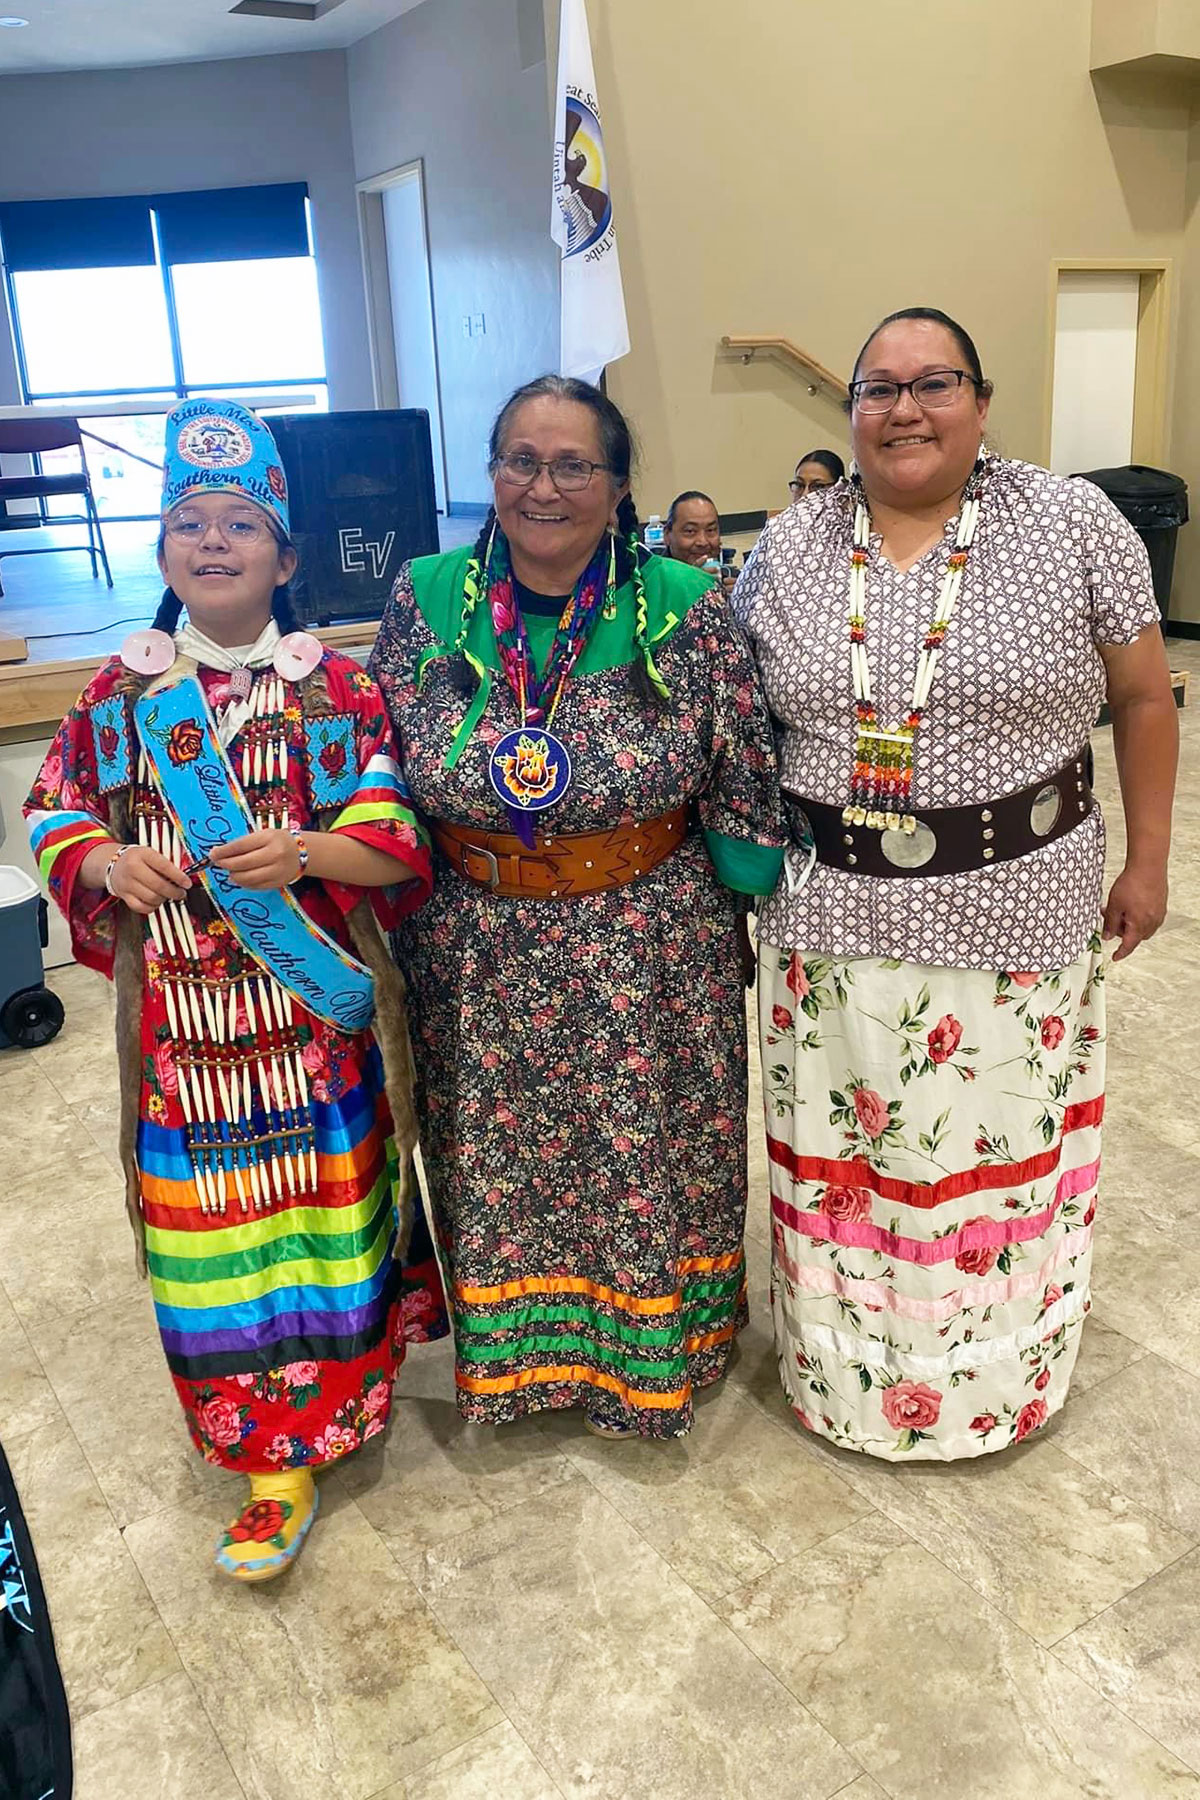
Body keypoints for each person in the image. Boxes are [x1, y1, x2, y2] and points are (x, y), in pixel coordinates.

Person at [734, 306, 1177, 1461]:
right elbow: (732, 723)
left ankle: (989, 1386)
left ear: (982, 402)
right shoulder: (790, 545)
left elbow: (1141, 697)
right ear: (852, 414)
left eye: (934, 384)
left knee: (990, 1156)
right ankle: (845, 1384)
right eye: (877, 389)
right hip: (828, 917)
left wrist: (1147, 860)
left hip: (1020, 903)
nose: (904, 408)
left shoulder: (1073, 522)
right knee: (854, 1168)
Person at [25, 398, 447, 1578]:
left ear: (288, 557)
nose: (215, 544)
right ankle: (268, 1456)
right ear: (162, 554)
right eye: (191, 525)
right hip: (185, 1034)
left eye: (243, 524)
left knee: (322, 1226)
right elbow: (54, 809)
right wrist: (107, 859)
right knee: (211, 1238)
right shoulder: (119, 698)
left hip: (311, 1030)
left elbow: (395, 831)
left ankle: (334, 1415)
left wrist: (305, 853)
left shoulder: (338, 692)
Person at [370, 374, 786, 1440]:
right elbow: (377, 759)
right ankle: (518, 1368)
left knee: (651, 1152)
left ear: (618, 485)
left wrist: (750, 889)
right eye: (519, 459)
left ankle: (658, 1356)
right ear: (491, 473)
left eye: (572, 464)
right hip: (470, 946)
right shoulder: (425, 593)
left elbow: (741, 769)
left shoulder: (685, 607)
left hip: (650, 943)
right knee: (491, 1161)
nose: (541, 486)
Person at [663, 489, 734, 593]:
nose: (703, 542)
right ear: (667, 535)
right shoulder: (653, 583)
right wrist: (690, 585)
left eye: (710, 530)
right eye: (690, 531)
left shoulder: (729, 577)